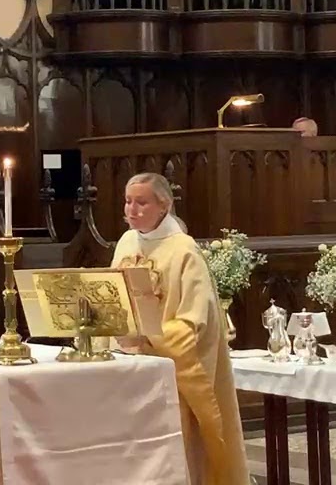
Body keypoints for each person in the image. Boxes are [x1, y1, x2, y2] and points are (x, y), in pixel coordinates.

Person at [111, 172, 250, 485]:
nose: (131, 210)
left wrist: (150, 340)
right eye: (128, 201)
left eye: (141, 202)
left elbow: (195, 320)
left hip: (173, 369)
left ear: (164, 206)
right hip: (130, 365)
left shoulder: (184, 250)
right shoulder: (126, 242)